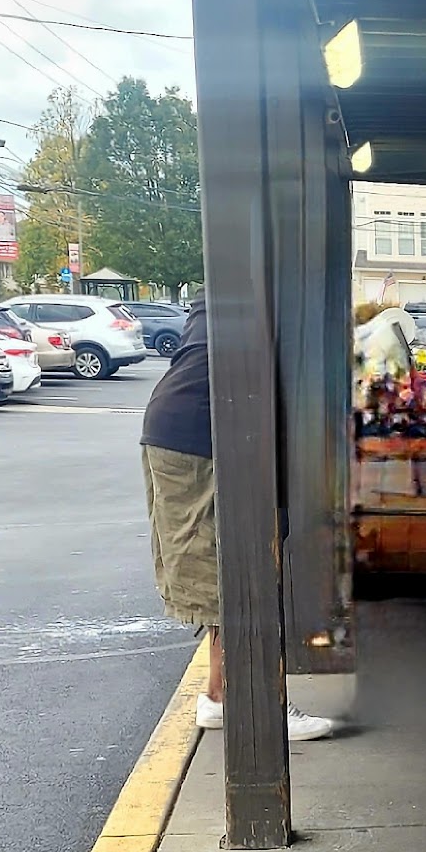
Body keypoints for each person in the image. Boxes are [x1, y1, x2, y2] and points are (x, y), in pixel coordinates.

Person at [141, 298, 335, 741]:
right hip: (199, 437)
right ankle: (260, 705)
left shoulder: (226, 296)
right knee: (236, 575)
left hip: (183, 427)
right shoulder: (260, 299)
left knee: (224, 571)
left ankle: (218, 695)